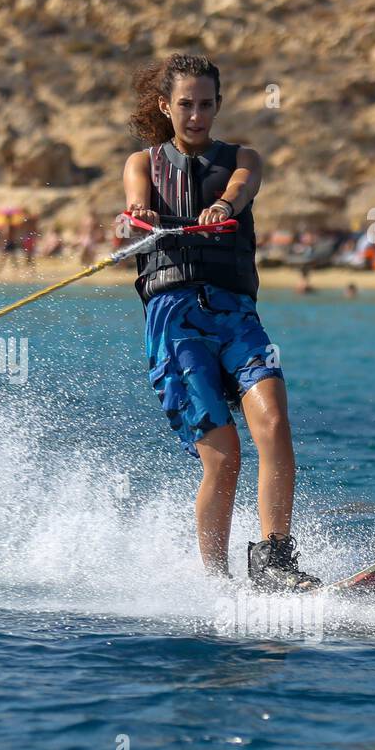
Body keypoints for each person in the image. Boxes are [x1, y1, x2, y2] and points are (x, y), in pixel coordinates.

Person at [122, 53, 319, 591]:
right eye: (185, 104)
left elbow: (242, 189)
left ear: (218, 106)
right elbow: (137, 205)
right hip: (174, 321)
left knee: (274, 423)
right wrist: (138, 219)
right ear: (166, 106)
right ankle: (216, 582)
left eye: (206, 104)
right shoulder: (143, 163)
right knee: (224, 454)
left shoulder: (243, 159)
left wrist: (223, 206)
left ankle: (274, 560)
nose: (195, 115)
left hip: (235, 316)